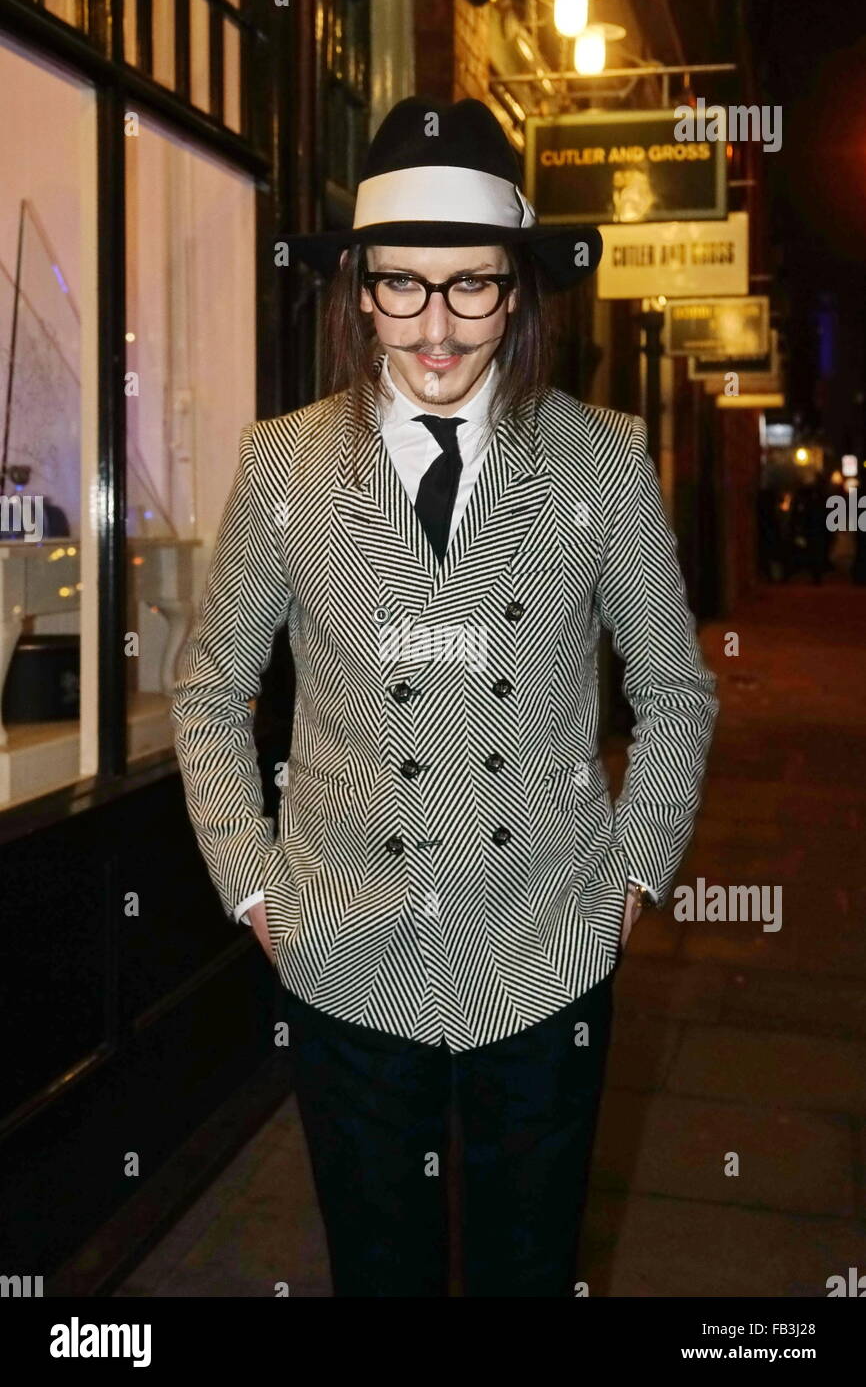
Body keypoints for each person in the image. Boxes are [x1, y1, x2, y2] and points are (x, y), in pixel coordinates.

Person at [171, 97, 719, 1298]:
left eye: (469, 284)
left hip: (546, 945)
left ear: (514, 292)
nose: (434, 327)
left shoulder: (602, 455)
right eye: (402, 285)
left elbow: (674, 687)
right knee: (380, 1274)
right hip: (343, 944)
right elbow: (210, 688)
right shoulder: (280, 462)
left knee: (531, 1270)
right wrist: (254, 885)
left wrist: (630, 880)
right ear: (359, 290)